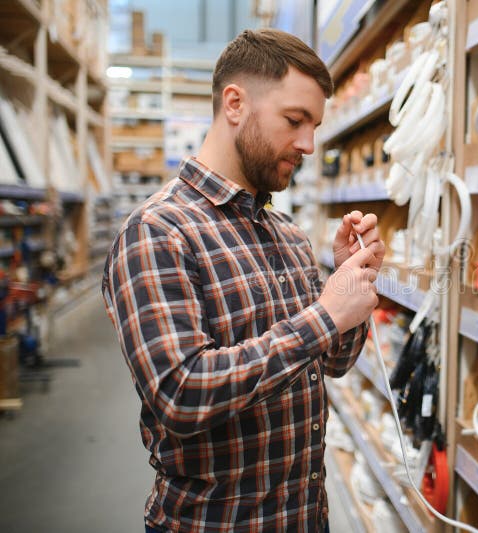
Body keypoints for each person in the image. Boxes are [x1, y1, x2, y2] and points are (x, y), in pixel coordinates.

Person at [102, 28, 385, 533]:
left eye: (315, 126)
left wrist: (348, 281)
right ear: (235, 103)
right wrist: (323, 315)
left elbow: (333, 363)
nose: (309, 145)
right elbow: (180, 395)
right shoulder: (158, 232)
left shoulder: (289, 237)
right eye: (295, 120)